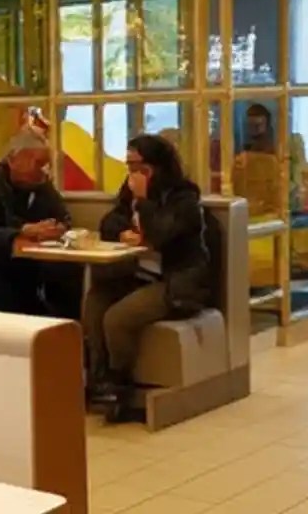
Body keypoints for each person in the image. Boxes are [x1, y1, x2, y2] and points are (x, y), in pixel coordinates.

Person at [85, 134, 213, 412]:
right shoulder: (128, 190)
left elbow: (162, 234)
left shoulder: (184, 198)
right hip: (138, 274)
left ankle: (120, 382)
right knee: (95, 301)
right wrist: (122, 231)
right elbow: (109, 221)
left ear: (155, 166)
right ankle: (98, 378)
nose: (131, 173)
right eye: (128, 165)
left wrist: (143, 201)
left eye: (137, 166)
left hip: (178, 283)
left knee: (117, 318)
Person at [0, 128, 83, 318]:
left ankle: (69, 336)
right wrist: (22, 231)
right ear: (13, 160)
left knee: (69, 273)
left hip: (29, 266)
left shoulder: (41, 185)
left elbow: (63, 216)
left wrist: (58, 228)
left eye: (47, 164)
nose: (45, 170)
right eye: (39, 163)